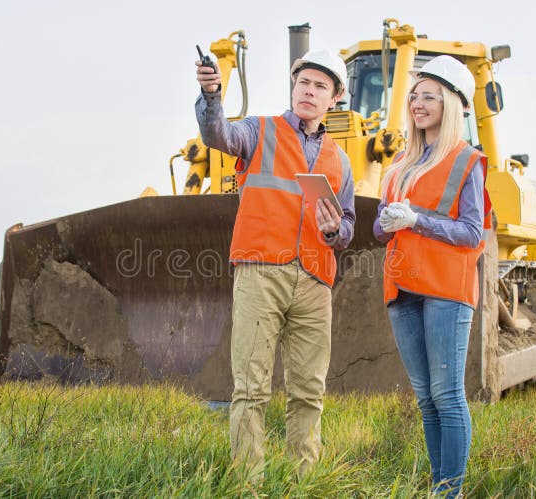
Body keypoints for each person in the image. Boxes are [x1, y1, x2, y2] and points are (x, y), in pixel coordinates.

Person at [195, 49, 356, 477]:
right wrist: (212, 95)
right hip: (261, 271)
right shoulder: (258, 131)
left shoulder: (340, 160)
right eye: (304, 82)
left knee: (309, 392)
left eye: (320, 86)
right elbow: (217, 134)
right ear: (293, 85)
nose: (309, 91)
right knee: (251, 388)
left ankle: (304, 482)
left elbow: (348, 225)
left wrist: (334, 231)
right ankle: (248, 483)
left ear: (335, 98)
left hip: (315, 281)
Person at [373, 55, 492, 497]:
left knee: (447, 395)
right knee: (426, 398)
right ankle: (439, 487)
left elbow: (473, 232)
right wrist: (388, 222)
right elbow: (380, 230)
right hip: (402, 289)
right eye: (414, 96)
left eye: (429, 96)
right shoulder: (398, 164)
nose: (418, 104)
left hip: (445, 289)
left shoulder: (467, 162)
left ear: (451, 104)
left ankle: (449, 491)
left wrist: (416, 220)